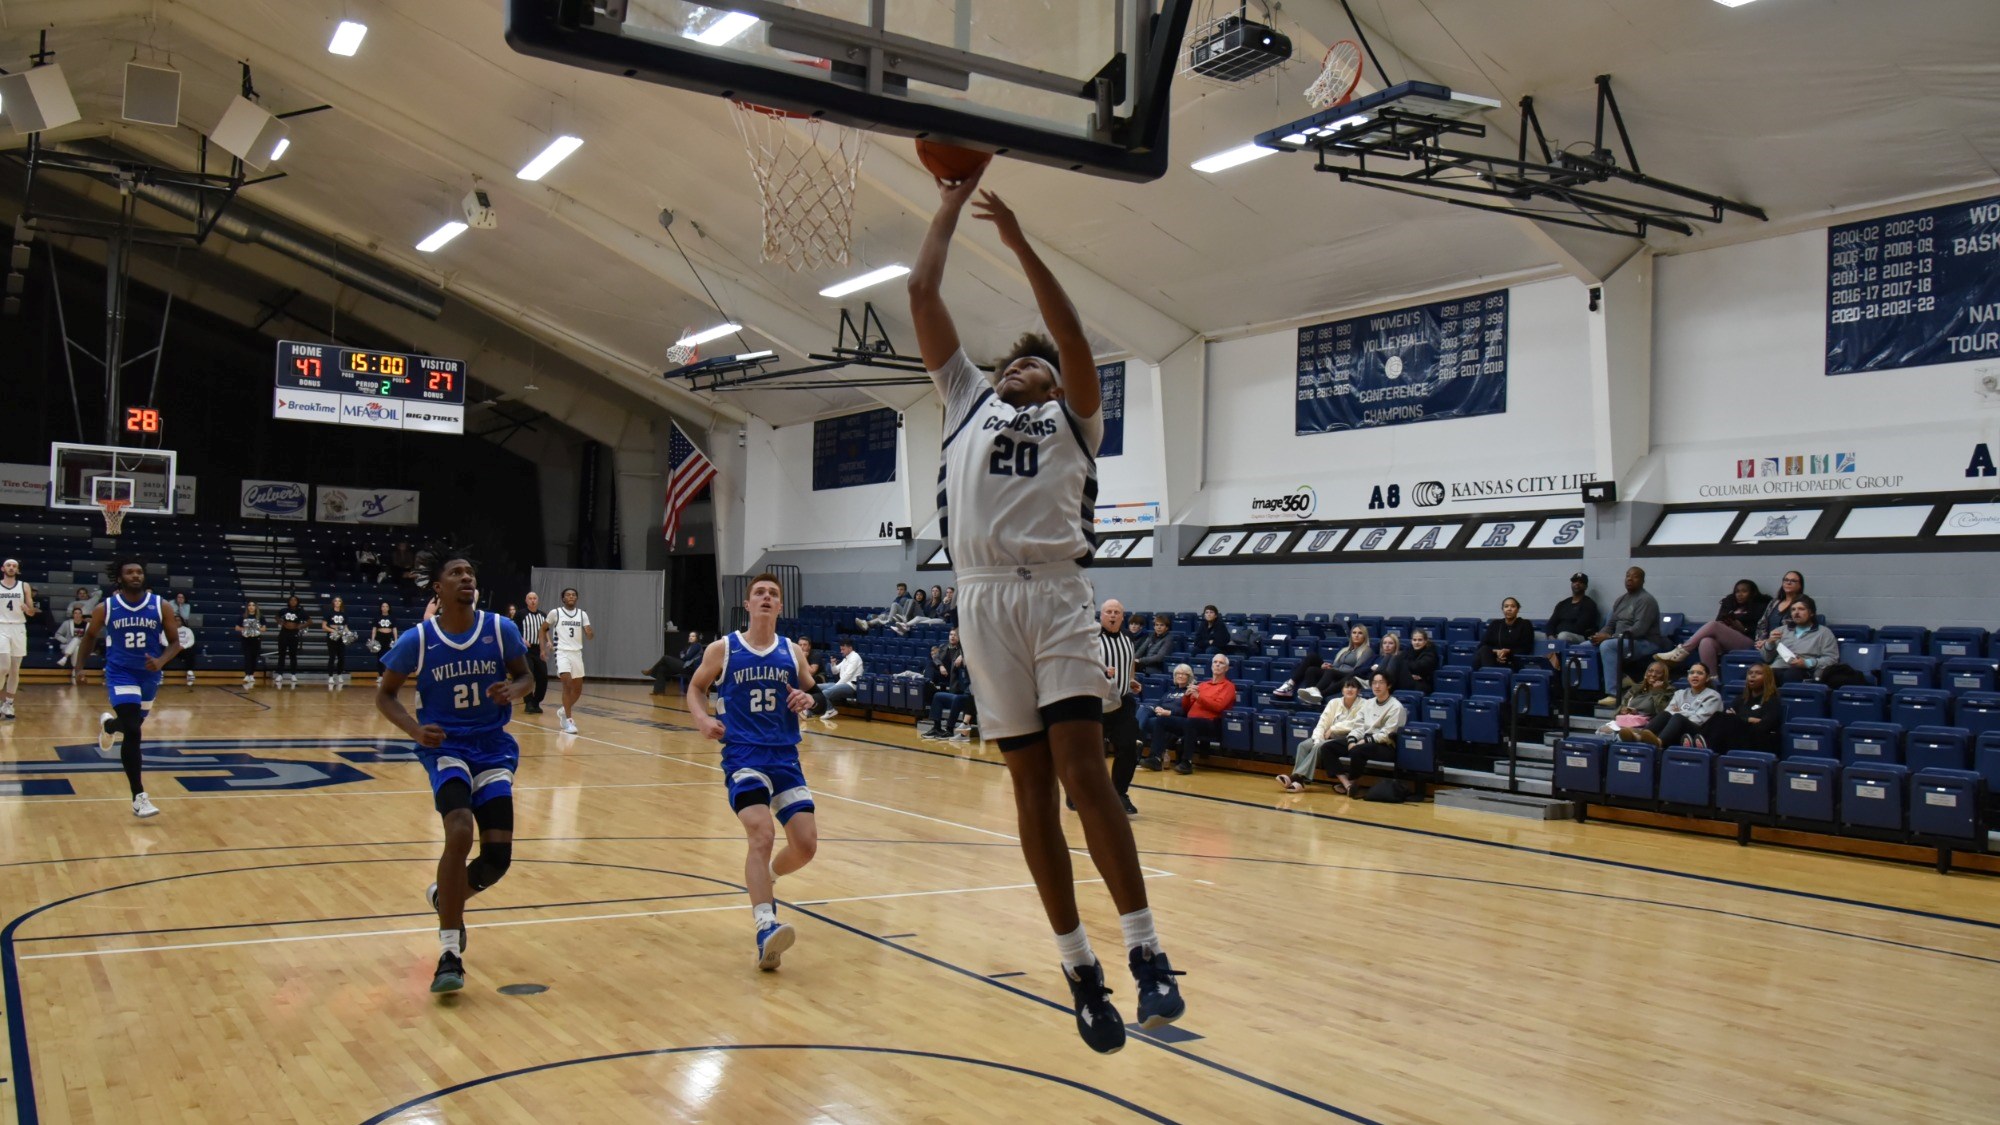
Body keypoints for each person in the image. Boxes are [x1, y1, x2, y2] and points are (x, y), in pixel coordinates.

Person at [913, 167, 1183, 1052]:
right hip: (983, 599)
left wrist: (1021, 241)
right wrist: (950, 201)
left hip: (1062, 590)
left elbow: (1071, 335)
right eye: (1012, 361)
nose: (1024, 366)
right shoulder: (964, 404)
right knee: (1031, 786)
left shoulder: (1077, 419)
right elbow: (922, 290)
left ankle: (1144, 948)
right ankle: (1078, 967)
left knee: (1085, 771)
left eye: (1036, 363)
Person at [375, 544, 533, 994]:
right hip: (446, 749)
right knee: (460, 830)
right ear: (438, 588)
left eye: (470, 573)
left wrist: (514, 689)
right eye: (457, 573)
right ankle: (449, 949)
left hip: (493, 748)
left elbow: (527, 677)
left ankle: (447, 899)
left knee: (498, 858)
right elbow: (384, 694)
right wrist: (413, 729)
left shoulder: (499, 629)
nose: (467, 578)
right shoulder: (418, 640)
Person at [686, 572, 823, 971]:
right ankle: (766, 925)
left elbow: (813, 692)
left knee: (806, 845)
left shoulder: (792, 652)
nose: (766, 597)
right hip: (743, 756)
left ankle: (770, 876)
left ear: (780, 606)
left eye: (773, 594)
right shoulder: (723, 648)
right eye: (759, 593)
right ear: (747, 605)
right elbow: (695, 688)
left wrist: (807, 700)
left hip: (785, 759)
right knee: (761, 831)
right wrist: (700, 718)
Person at [79, 555, 183, 819]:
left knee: (129, 725)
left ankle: (109, 726)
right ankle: (139, 797)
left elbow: (175, 643)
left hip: (149, 676)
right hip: (120, 673)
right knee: (135, 732)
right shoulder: (108, 607)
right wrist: (79, 667)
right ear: (120, 578)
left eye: (139, 572)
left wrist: (161, 660)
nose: (135, 576)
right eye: (130, 572)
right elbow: (90, 636)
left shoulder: (161, 605)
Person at [1146, 653, 1235, 775]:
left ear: (1226, 668)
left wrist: (1199, 696)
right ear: (1211, 666)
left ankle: (1186, 762)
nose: (1217, 665)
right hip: (1191, 721)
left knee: (1191, 722)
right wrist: (1187, 696)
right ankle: (1155, 758)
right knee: (1162, 720)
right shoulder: (1203, 685)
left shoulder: (1228, 686)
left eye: (1221, 663)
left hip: (1211, 724)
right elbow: (1187, 707)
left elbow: (1218, 707)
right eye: (1215, 662)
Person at [1659, 579, 1773, 675]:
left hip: (1748, 641)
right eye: (1737, 591)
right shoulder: (1729, 604)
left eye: (1744, 591)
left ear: (1752, 593)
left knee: (1713, 625)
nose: (1739, 594)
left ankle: (1682, 651)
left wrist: (1742, 628)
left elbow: (1761, 630)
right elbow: (1720, 621)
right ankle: (1712, 679)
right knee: (1706, 641)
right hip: (1726, 640)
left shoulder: (1760, 607)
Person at [1094, 599, 1142, 817]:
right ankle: (1078, 793)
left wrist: (1131, 680)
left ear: (1123, 617)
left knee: (1129, 748)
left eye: (1117, 612)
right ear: (1101, 615)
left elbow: (1130, 662)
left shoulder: (1128, 638)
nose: (1112, 615)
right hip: (1095, 703)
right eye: (1108, 612)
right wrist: (1100, 673)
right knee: (1090, 753)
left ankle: (1119, 794)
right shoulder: (1091, 637)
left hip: (1122, 701)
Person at [1279, 677, 1366, 792]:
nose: (1349, 689)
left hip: (1347, 739)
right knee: (1303, 745)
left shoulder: (1365, 704)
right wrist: (1317, 739)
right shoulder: (1333, 702)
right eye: (1347, 686)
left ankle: (1297, 778)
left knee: (1319, 747)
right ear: (1342, 690)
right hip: (1327, 736)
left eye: (1353, 687)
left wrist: (1334, 728)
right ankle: (1298, 780)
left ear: (1359, 691)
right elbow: (1322, 723)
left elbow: (1357, 724)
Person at [1592, 567, 1663, 706]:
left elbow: (1639, 630)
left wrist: (1610, 637)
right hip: (1621, 639)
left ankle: (1613, 693)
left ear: (1642, 581)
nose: (1630, 579)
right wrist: (1599, 635)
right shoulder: (1620, 600)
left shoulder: (1646, 600)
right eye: (1627, 576)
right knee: (1584, 647)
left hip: (1644, 642)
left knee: (1608, 646)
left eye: (1635, 576)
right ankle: (1618, 680)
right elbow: (1611, 623)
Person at [1331, 671, 1408, 797]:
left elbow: (1387, 734)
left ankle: (1353, 781)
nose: (1377, 686)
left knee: (1358, 750)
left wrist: (1365, 741)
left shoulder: (1396, 707)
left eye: (1381, 683)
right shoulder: (1368, 703)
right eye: (1374, 683)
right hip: (1364, 741)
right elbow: (1359, 725)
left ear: (1388, 685)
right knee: (1328, 748)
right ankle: (1346, 784)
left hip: (1386, 746)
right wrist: (1352, 740)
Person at [1621, 661, 1722, 747]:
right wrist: (1685, 713)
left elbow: (1699, 719)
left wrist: (1679, 712)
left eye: (1699, 673)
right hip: (1680, 729)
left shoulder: (1713, 696)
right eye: (1692, 673)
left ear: (1707, 678)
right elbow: (1669, 712)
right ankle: (1639, 736)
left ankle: (1659, 742)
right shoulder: (1680, 693)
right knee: (1665, 714)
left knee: (1677, 717)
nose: (1695, 675)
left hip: (1701, 734)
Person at [1701, 662, 1780, 752]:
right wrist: (1749, 719)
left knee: (1727, 720)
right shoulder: (1741, 699)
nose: (1753, 676)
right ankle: (1703, 744)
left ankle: (1704, 746)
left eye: (1758, 673)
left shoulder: (1772, 700)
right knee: (1718, 716)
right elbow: (1728, 715)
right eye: (1750, 673)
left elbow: (1765, 725)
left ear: (1767, 678)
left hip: (1757, 741)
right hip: (1736, 738)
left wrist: (1739, 719)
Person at [545, 587, 592, 735]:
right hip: (562, 652)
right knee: (567, 683)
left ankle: (563, 711)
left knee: (578, 690)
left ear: (576, 598)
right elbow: (543, 629)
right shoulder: (555, 613)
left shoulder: (582, 614)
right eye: (568, 595)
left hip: (576, 653)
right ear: (563, 599)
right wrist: (542, 647)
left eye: (573, 595)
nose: (571, 597)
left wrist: (590, 633)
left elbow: (589, 635)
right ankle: (568, 721)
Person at [1759, 595, 1838, 684]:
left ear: (1811, 613)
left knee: (1790, 675)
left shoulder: (1824, 633)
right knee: (1756, 675)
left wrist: (1807, 663)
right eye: (1793, 609)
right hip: (1778, 667)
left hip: (1805, 670)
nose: (1796, 612)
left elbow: (1832, 659)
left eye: (1801, 609)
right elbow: (1767, 659)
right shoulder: (1780, 630)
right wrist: (1770, 642)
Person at [0, 557, 38, 720]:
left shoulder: (24, 586)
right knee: (3, 667)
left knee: (15, 669)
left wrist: (27, 609)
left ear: (17, 570)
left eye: (14, 566)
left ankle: (8, 704)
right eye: (8, 565)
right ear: (3, 568)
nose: (11, 567)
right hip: (1, 626)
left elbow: (31, 612)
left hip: (19, 628)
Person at [1296, 624, 1372, 704]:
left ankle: (1315, 691)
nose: (1356, 635)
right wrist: (1329, 666)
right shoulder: (1345, 650)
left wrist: (1334, 670)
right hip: (1336, 673)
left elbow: (1357, 670)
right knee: (1311, 670)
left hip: (1350, 675)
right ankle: (1309, 697)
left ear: (1364, 636)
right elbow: (1336, 665)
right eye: (1354, 633)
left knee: (1331, 672)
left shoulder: (1367, 651)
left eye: (1360, 633)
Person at [1597, 660, 1675, 735]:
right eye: (1650, 671)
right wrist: (1624, 710)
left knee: (1623, 734)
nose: (1653, 674)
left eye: (1658, 673)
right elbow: (1622, 705)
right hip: (1627, 721)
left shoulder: (1668, 691)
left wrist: (1656, 692)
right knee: (1602, 731)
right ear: (1646, 673)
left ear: (1664, 676)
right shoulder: (1637, 688)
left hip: (1646, 725)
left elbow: (1661, 712)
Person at [921, 634, 975, 740]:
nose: (952, 637)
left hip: (968, 695)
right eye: (950, 634)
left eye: (955, 635)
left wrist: (963, 656)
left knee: (957, 698)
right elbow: (935, 658)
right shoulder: (946, 648)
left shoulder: (969, 655)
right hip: (956, 688)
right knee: (938, 696)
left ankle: (949, 730)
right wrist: (941, 666)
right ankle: (936, 727)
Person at [1545, 573, 1601, 661]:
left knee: (1562, 636)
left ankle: (1557, 664)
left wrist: (1557, 636)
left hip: (1579, 637)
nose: (1577, 584)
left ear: (1585, 587)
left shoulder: (1589, 604)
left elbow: (1580, 628)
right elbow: (1550, 624)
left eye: (1581, 582)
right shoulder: (1562, 604)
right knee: (1543, 638)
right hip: (1557, 636)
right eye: (1574, 581)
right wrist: (1551, 636)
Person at [1140, 664, 1194, 745]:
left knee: (1146, 721)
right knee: (1143, 709)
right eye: (1178, 674)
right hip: (1160, 714)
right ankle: (1136, 738)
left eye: (1183, 674)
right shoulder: (1170, 691)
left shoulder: (1190, 692)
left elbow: (1187, 710)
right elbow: (1159, 703)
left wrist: (1169, 712)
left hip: (1172, 718)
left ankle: (1138, 744)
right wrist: (1157, 708)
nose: (1180, 676)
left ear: (1189, 676)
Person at [1477, 597, 1535, 669]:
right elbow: (1482, 645)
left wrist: (1508, 652)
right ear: (1502, 609)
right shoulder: (1495, 624)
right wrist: (1497, 652)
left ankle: (1490, 676)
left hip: (1513, 660)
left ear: (1518, 609)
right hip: (1493, 658)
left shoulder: (1525, 624)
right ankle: (1488, 676)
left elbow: (1526, 648)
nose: (1509, 609)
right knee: (1483, 650)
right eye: (1506, 606)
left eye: (1513, 606)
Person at [515, 592, 547, 713]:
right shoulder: (520, 614)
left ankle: (536, 701)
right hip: (525, 650)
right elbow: (514, 630)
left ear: (537, 600)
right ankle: (528, 702)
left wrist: (544, 650)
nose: (532, 600)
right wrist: (522, 639)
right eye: (530, 598)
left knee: (543, 676)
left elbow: (544, 634)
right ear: (526, 600)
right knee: (529, 676)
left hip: (538, 649)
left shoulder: (543, 615)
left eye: (534, 598)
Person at [816, 638, 864, 718]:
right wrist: (833, 664)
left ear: (850, 647)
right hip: (843, 684)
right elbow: (835, 671)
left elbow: (847, 676)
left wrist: (836, 686)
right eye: (841, 649)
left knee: (825, 692)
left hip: (851, 686)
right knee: (816, 687)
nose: (841, 651)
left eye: (843, 649)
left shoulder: (855, 658)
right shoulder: (846, 658)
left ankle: (830, 710)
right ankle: (813, 710)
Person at [276, 594, 306, 688]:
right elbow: (276, 617)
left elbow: (310, 621)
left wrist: (300, 626)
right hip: (283, 634)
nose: (293, 602)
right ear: (288, 602)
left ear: (297, 602)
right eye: (291, 600)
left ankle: (293, 675)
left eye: (295, 600)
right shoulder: (284, 610)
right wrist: (281, 623)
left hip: (294, 635)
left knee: (293, 655)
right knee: (282, 655)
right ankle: (280, 674)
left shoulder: (300, 611)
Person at [323, 596, 353, 689]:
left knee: (341, 657)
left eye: (339, 601)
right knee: (332, 657)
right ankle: (330, 676)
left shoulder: (344, 614)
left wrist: (350, 633)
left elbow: (345, 627)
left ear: (341, 603)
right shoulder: (329, 613)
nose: (337, 602)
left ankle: (339, 674)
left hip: (341, 637)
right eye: (335, 601)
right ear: (333, 603)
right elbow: (324, 626)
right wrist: (333, 630)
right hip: (332, 637)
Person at [236, 603, 265, 688]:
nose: (251, 607)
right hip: (246, 638)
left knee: (254, 657)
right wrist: (245, 628)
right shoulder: (243, 616)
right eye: (249, 605)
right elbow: (237, 628)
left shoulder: (260, 617)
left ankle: (252, 674)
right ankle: (247, 674)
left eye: (253, 605)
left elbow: (264, 628)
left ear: (256, 607)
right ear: (247, 607)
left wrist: (256, 627)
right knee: (247, 656)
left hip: (256, 639)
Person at [56, 604, 87, 682]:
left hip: (81, 647)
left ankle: (65, 658)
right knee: (76, 643)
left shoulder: (87, 624)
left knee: (77, 644)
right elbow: (57, 635)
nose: (77, 615)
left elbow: (89, 638)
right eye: (75, 613)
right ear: (73, 614)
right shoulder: (67, 623)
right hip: (67, 645)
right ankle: (74, 671)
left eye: (79, 613)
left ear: (82, 615)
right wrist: (66, 641)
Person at [1406, 627, 1439, 693]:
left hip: (1424, 683)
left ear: (1425, 641)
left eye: (1420, 640)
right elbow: (1399, 664)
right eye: (1414, 640)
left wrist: (1405, 670)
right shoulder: (1409, 650)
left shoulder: (1431, 652)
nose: (1417, 642)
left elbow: (1418, 667)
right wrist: (1409, 676)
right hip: (1408, 680)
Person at [167, 620, 199, 687]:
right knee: (163, 651)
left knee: (191, 650)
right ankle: (160, 672)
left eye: (179, 620)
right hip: (171, 649)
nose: (177, 622)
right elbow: (163, 639)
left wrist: (183, 647)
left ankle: (190, 673)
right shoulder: (168, 629)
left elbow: (191, 641)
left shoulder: (187, 630)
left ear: (182, 621)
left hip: (183, 649)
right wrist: (171, 646)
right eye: (176, 620)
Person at [370, 601, 399, 673]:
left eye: (386, 606)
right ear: (381, 608)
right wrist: (373, 639)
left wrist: (396, 639)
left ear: (389, 608)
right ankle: (380, 675)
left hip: (389, 637)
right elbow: (374, 629)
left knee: (389, 656)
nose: (385, 608)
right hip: (380, 637)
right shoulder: (377, 617)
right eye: (383, 606)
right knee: (379, 657)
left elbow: (394, 629)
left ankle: (388, 674)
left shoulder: (392, 617)